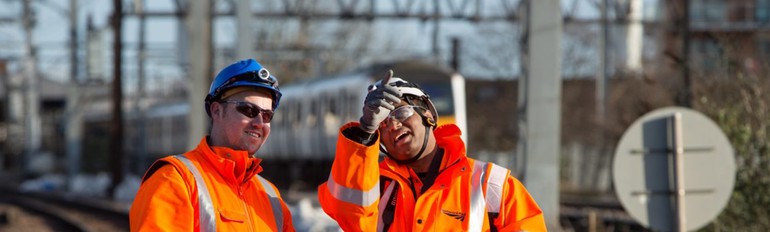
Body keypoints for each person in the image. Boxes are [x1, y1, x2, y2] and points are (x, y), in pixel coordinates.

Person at [318, 70, 546, 231]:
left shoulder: (492, 186)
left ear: (427, 114)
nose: (393, 125)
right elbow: (350, 214)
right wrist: (365, 131)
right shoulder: (375, 187)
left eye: (400, 113)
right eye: (382, 123)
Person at [130, 59, 294, 231]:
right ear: (217, 111)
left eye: (267, 115)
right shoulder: (174, 180)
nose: (259, 123)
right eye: (248, 110)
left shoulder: (271, 197)